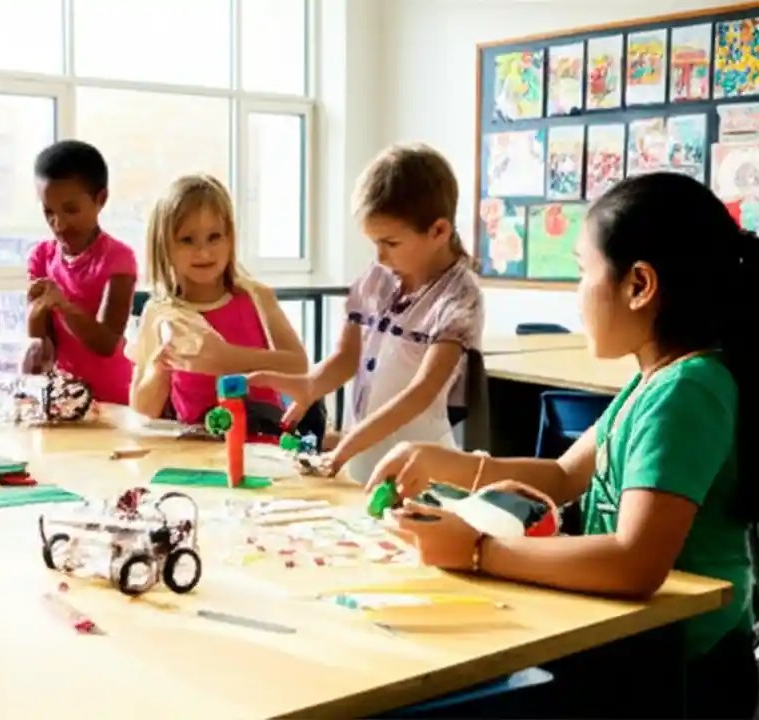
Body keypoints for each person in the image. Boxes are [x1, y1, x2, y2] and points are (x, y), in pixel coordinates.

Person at [371, 172, 756, 718]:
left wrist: (479, 552)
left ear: (639, 286)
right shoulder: (654, 379)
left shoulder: (688, 391)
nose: (578, 296)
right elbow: (563, 476)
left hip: (686, 671)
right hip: (640, 645)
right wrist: (449, 464)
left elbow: (634, 562)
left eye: (582, 272)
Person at [252, 144, 483, 481]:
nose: (379, 257)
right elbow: (346, 358)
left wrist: (343, 448)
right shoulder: (377, 278)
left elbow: (420, 394)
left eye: (390, 243)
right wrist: (310, 385)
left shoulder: (460, 297)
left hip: (420, 469)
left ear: (439, 232)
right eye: (374, 243)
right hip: (361, 459)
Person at [127, 174, 316, 437]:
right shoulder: (160, 314)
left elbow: (298, 365)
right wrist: (160, 370)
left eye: (214, 237)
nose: (203, 253)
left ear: (230, 239)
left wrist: (227, 359)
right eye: (187, 240)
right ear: (165, 247)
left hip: (263, 451)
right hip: (195, 457)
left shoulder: (256, 296)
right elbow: (142, 411)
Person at [22, 140, 137, 404]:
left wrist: (62, 305)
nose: (59, 223)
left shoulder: (119, 258)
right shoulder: (42, 256)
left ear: (101, 199)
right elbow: (40, 339)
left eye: (71, 210)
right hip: (61, 395)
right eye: (48, 212)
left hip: (110, 397)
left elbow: (106, 343)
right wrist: (36, 309)